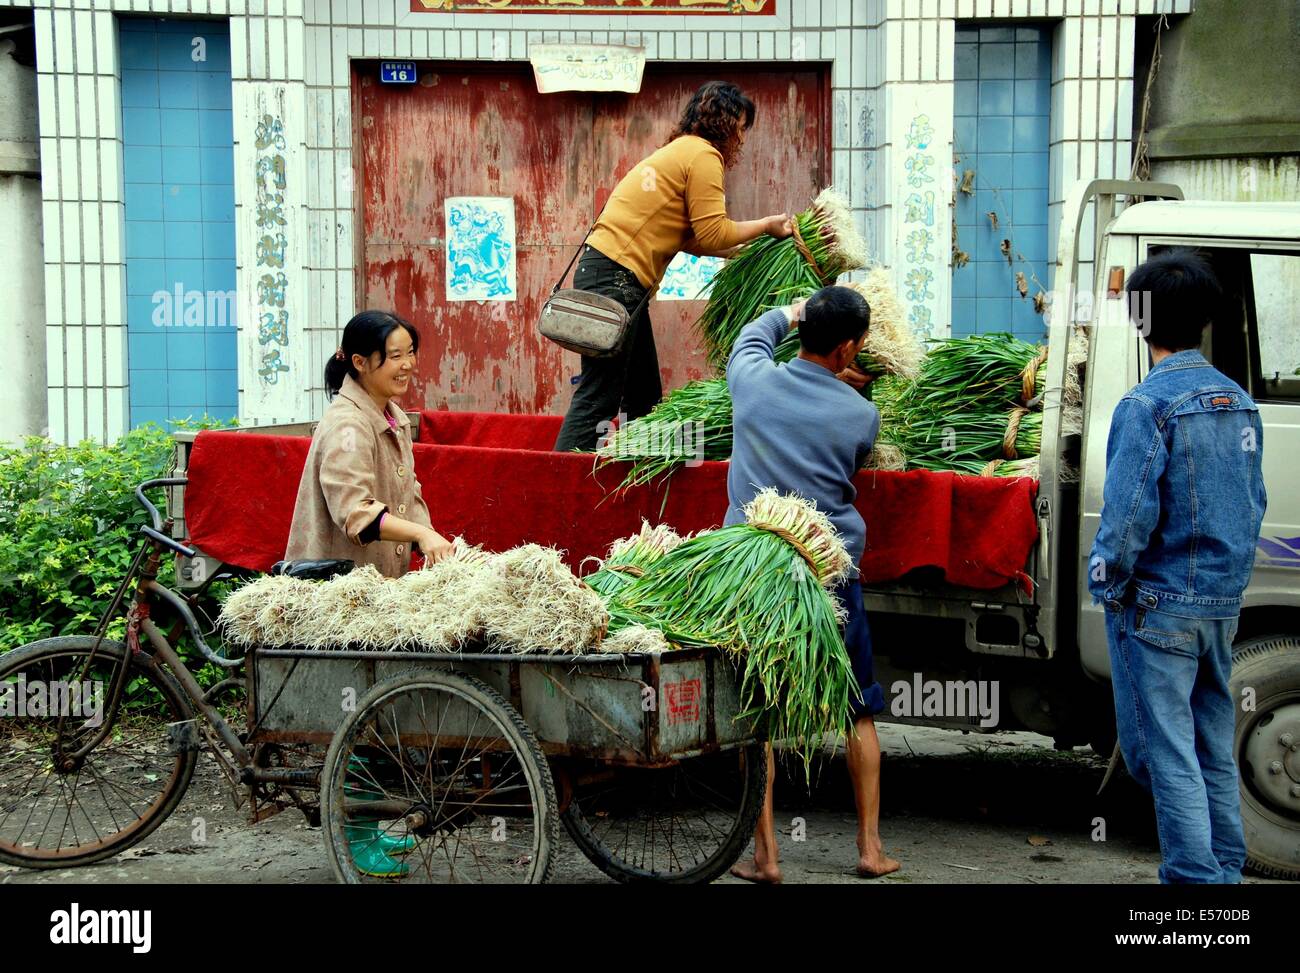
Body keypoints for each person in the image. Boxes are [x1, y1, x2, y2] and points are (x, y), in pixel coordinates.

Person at [1088, 249, 1267, 884]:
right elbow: (1253, 504)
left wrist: (1104, 581)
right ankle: (1222, 874)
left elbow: (1129, 514)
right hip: (1219, 603)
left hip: (1159, 603)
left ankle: (1197, 884)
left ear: (1141, 321)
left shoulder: (1146, 405)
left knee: (1164, 754)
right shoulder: (1239, 403)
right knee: (1212, 745)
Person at [724, 285, 900, 884]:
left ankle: (767, 857)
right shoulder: (861, 414)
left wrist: (792, 310)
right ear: (848, 348)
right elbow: (851, 459)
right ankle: (870, 849)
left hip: (755, 570)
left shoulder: (750, 378)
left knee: (757, 714)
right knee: (858, 708)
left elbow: (757, 330)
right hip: (829, 570)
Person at [553, 80, 796, 452]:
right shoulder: (703, 156)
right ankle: (558, 487)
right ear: (725, 123)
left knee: (644, 396)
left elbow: (693, 238)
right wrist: (767, 224)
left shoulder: (679, 152)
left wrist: (753, 249)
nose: (742, 141)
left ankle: (631, 478)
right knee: (598, 395)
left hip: (615, 277)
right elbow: (714, 232)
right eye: (742, 128)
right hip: (615, 279)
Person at [286, 310, 455, 578]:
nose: (408, 364)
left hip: (375, 588)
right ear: (360, 362)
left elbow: (409, 494)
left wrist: (435, 542)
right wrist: (420, 534)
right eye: (395, 356)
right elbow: (356, 514)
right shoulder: (348, 426)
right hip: (334, 592)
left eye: (410, 352)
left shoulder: (393, 418)